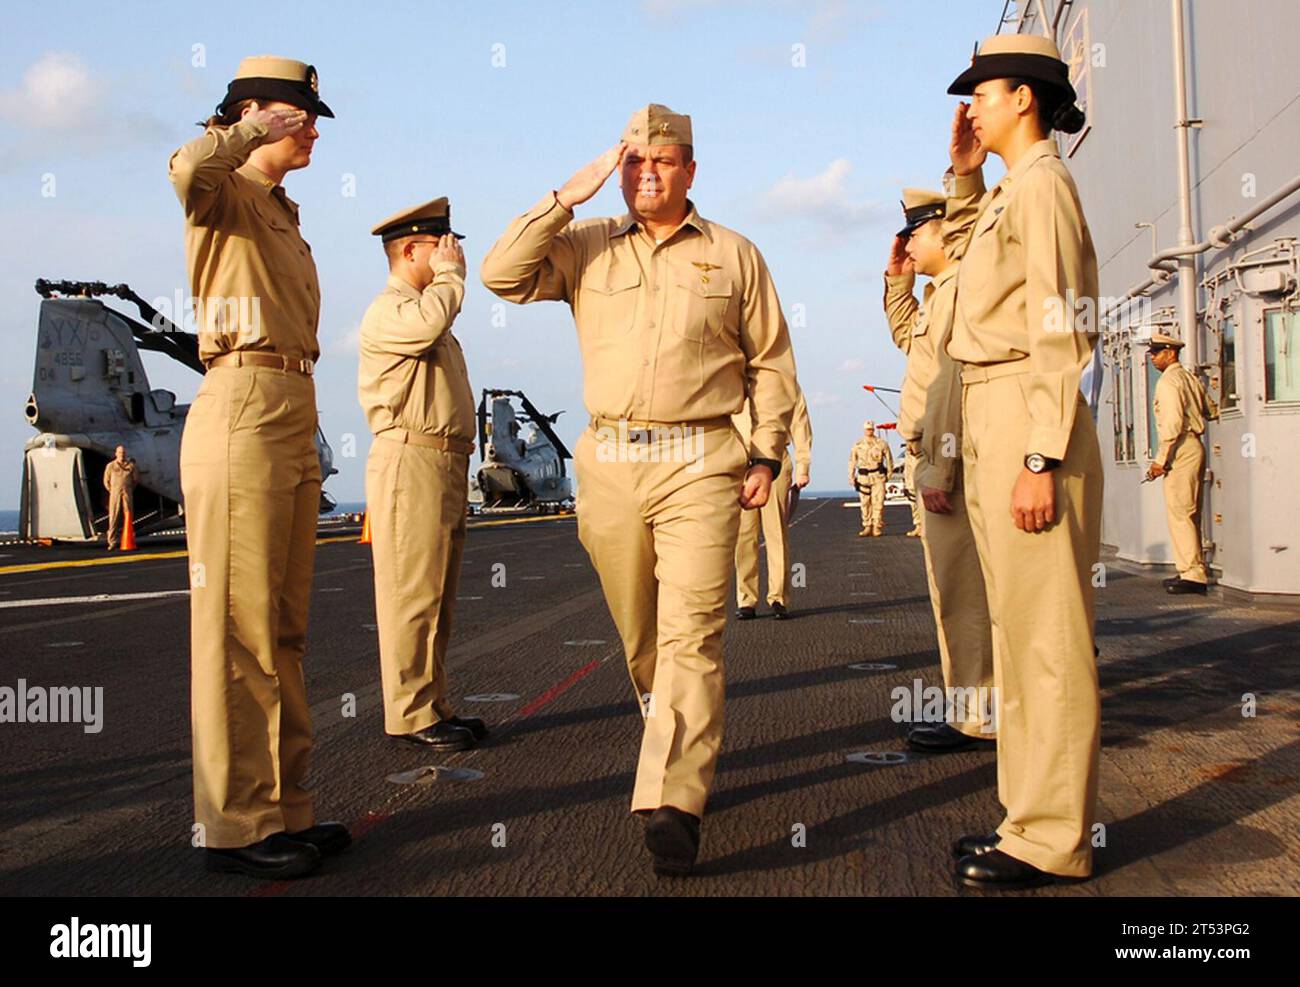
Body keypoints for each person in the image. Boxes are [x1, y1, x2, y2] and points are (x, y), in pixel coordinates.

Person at [481, 103, 798, 876]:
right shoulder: (587, 246)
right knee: (644, 634)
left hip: (702, 460)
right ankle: (676, 744)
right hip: (610, 462)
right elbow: (500, 274)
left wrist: (766, 453)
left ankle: (672, 799)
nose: (645, 174)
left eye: (660, 161)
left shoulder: (735, 256)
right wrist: (568, 194)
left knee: (693, 630)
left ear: (691, 168)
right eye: (632, 162)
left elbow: (772, 362)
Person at [170, 55, 348, 880]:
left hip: (291, 402)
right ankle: (235, 826)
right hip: (240, 401)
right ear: (253, 111)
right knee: (239, 630)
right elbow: (185, 167)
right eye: (300, 112)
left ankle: (285, 806)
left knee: (283, 628)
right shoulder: (222, 187)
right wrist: (243, 130)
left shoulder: (281, 209)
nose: (313, 126)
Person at [942, 33, 1101, 889]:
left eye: (986, 93)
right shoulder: (1010, 191)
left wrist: (1041, 452)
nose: (973, 107)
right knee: (1017, 632)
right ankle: (1027, 822)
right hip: (993, 406)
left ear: (1026, 99)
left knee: (1047, 642)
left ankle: (1054, 836)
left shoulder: (1043, 188)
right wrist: (965, 177)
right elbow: (972, 276)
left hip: (1027, 415)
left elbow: (1060, 324)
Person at [358, 197, 490, 750]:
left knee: (436, 592)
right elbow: (428, 324)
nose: (451, 252)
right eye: (440, 244)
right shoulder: (393, 309)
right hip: (410, 458)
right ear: (410, 249)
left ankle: (432, 703)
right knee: (411, 593)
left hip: (442, 459)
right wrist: (451, 278)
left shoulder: (424, 306)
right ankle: (410, 714)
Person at [882, 171, 995, 753]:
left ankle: (980, 714)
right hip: (935, 452)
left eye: (914, 236)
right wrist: (896, 282)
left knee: (964, 590)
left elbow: (949, 385)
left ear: (945, 233)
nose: (908, 246)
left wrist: (937, 469)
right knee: (956, 588)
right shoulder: (939, 295)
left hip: (945, 453)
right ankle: (973, 705)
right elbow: (911, 344)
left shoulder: (957, 292)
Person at [734, 387, 812, 620]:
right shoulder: (732, 382)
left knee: (776, 532)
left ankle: (778, 597)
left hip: (775, 460)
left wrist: (803, 467)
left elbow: (800, 424)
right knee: (743, 537)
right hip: (740, 464)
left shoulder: (785, 384)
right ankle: (746, 600)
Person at [1146, 332, 1210, 595]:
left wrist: (1160, 460)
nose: (1152, 357)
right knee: (1191, 513)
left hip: (1180, 448)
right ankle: (1192, 567)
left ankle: (1192, 575)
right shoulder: (1189, 378)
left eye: (1157, 352)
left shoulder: (1168, 382)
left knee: (1180, 513)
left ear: (1170, 353)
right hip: (1194, 444)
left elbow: (1171, 425)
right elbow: (1210, 410)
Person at [847, 420, 893, 536]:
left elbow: (889, 460)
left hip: (878, 476)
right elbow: (852, 461)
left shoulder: (882, 444)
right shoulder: (858, 445)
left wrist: (889, 474)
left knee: (878, 502)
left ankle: (877, 526)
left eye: (871, 429)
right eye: (867, 429)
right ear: (864, 430)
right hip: (863, 477)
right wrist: (851, 476)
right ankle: (867, 525)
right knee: (865, 503)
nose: (869, 431)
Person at [102, 445, 138, 550]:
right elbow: (106, 481)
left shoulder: (131, 466)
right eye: (120, 453)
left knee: (128, 515)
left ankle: (129, 540)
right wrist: (112, 490)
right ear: (116, 454)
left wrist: (128, 489)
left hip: (127, 492)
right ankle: (112, 542)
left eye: (123, 453)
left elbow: (135, 480)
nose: (121, 455)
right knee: (113, 516)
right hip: (114, 493)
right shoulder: (110, 466)